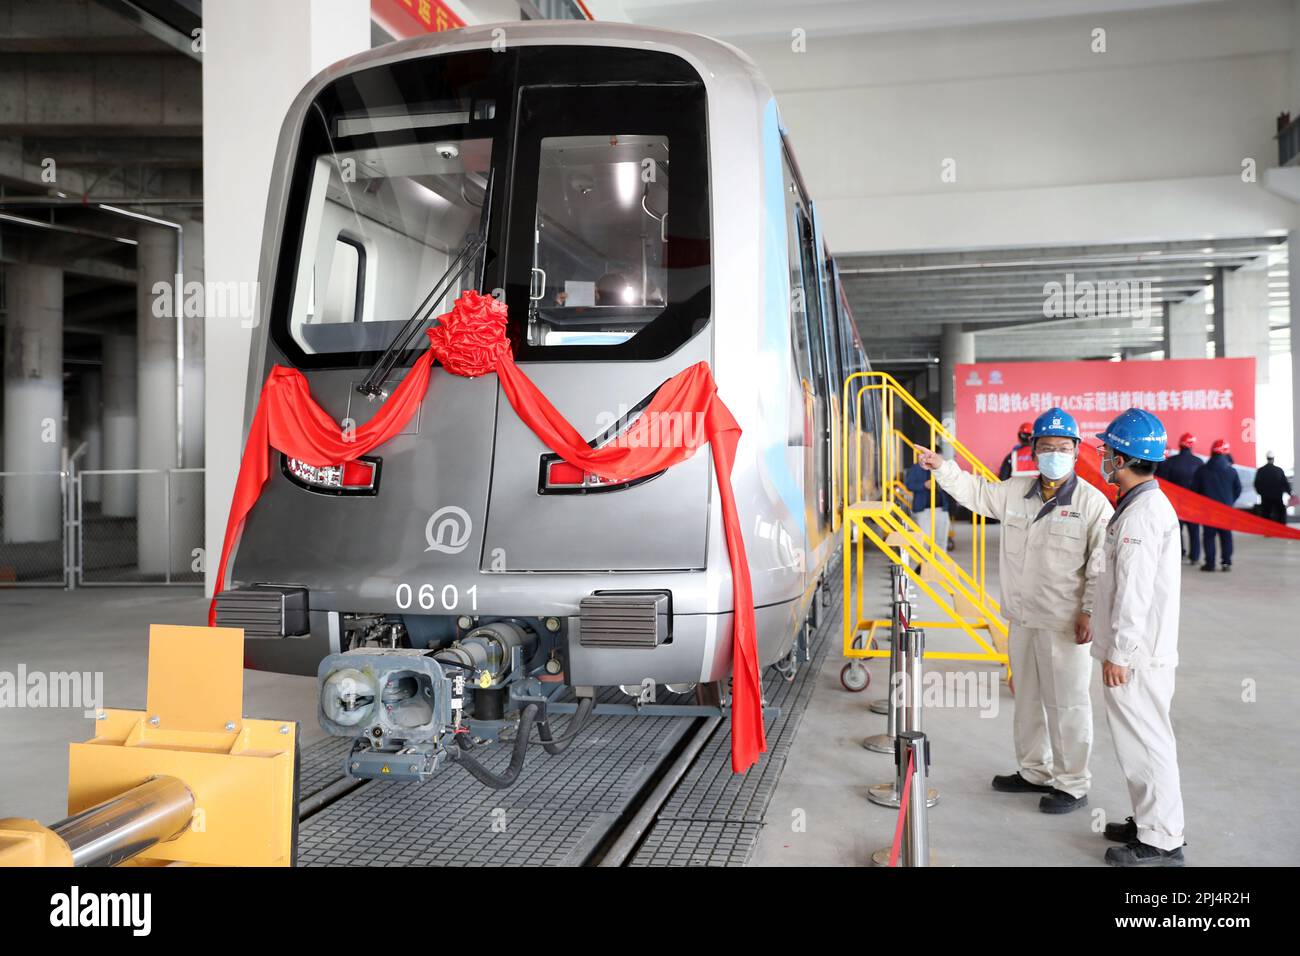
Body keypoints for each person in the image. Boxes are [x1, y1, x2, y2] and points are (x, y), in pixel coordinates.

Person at [914, 406, 1112, 814]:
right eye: (1045, 447)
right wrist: (941, 466)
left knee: (1067, 704)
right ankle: (1033, 771)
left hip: (1064, 624)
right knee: (1027, 701)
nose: (1053, 454)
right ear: (1033, 450)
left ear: (1076, 451)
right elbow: (975, 493)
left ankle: (1072, 783)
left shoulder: (1093, 504)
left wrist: (1090, 612)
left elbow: (1100, 566)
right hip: (1022, 617)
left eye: (1062, 447)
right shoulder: (1015, 491)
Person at [1092, 408, 1185, 866]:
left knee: (1147, 742)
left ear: (1124, 458)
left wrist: (1121, 653)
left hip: (1139, 654)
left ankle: (1162, 839)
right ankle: (1148, 817)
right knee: (1140, 740)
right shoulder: (1141, 504)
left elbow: (1135, 592)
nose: (1103, 456)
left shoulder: (1142, 515)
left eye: (1108, 451)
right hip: (1141, 650)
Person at [1191, 439, 1241, 572]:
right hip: (1225, 510)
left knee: (1208, 536)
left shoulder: (1202, 470)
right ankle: (1226, 563)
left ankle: (1210, 563)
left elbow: (1194, 490)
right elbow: (1238, 490)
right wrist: (1229, 502)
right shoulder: (1231, 471)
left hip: (1208, 510)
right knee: (1226, 536)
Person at [1156, 432, 1201, 565]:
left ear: (1180, 445)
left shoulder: (1170, 462)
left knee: (1176, 530)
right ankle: (1195, 556)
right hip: (1193, 504)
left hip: (1175, 503)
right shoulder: (1199, 462)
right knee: (1194, 530)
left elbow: (1161, 482)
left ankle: (1179, 553)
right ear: (1192, 446)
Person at [904, 457, 952, 549]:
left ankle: (939, 563)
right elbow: (909, 485)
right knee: (924, 541)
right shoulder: (916, 468)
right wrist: (924, 485)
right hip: (923, 510)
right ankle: (924, 563)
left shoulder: (943, 469)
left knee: (941, 541)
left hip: (941, 509)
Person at [1254, 451, 1292, 525]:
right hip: (1277, 496)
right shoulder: (1279, 470)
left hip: (1265, 497)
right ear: (1273, 459)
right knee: (1281, 513)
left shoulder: (1261, 471)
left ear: (1267, 458)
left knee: (1266, 514)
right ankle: (1281, 528)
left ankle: (1267, 530)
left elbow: (1256, 484)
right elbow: (1284, 483)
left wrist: (1261, 493)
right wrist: (1289, 493)